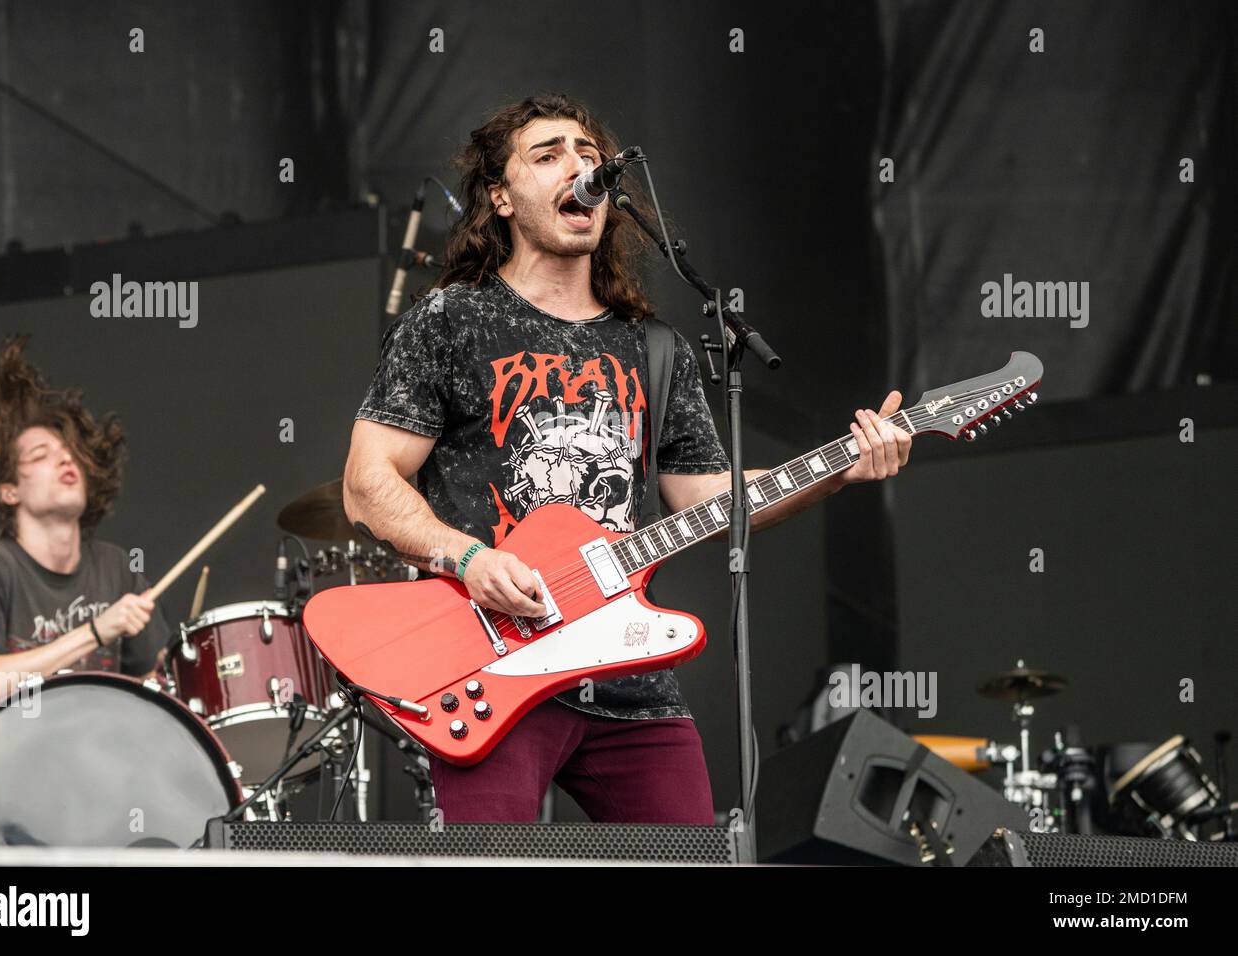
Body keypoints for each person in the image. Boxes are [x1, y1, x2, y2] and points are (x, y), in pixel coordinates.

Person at [343, 94, 911, 824]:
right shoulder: (451, 319)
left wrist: (842, 468)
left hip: (630, 674)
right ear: (501, 197)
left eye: (588, 155)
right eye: (547, 156)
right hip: (493, 670)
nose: (579, 168)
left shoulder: (652, 344)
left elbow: (708, 496)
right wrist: (468, 560)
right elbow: (367, 483)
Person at [0, 337, 168, 723]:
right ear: (9, 490)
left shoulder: (117, 569)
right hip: (14, 759)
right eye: (41, 455)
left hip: (103, 757)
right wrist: (95, 632)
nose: (64, 459)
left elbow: (159, 682)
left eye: (69, 454)